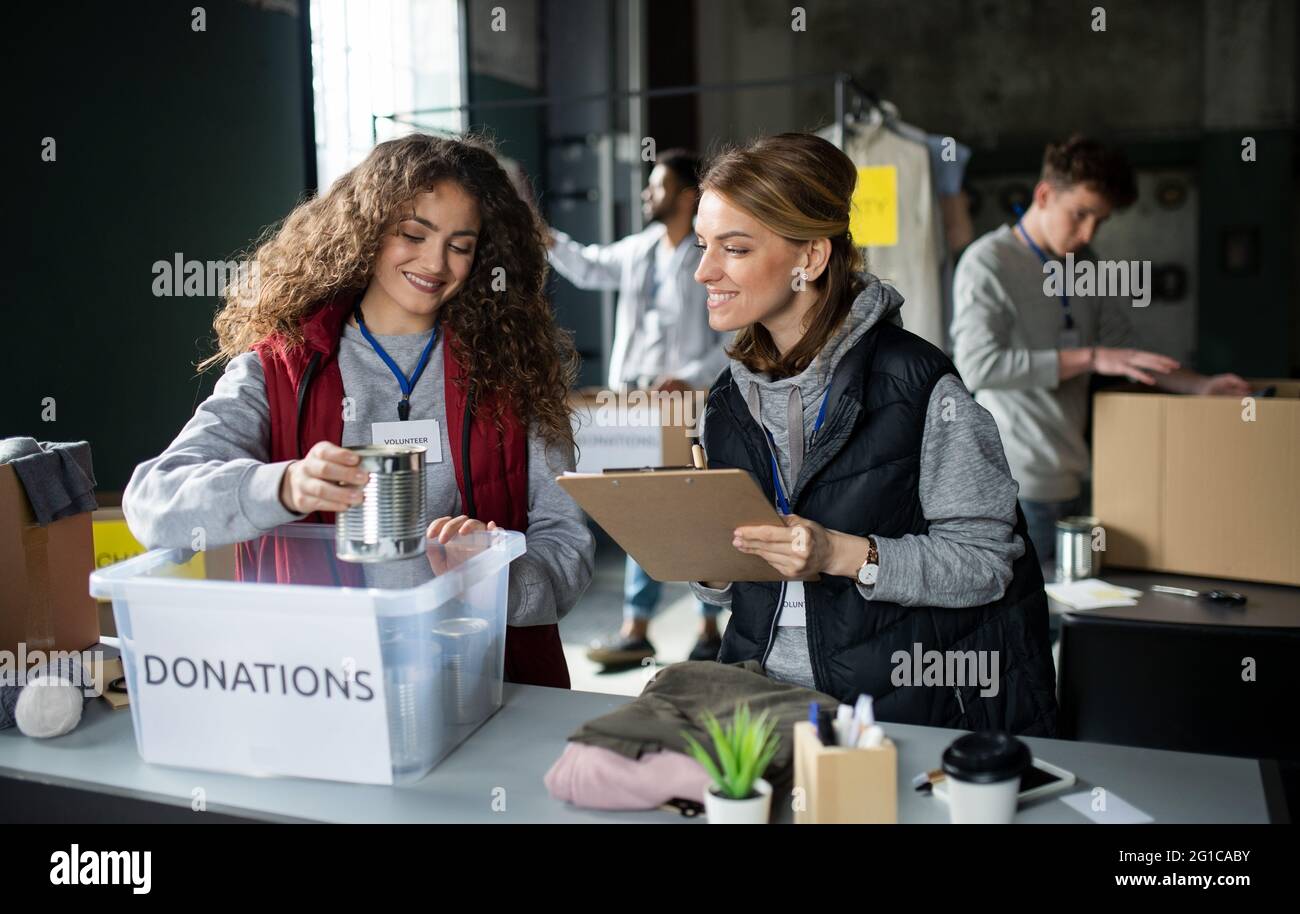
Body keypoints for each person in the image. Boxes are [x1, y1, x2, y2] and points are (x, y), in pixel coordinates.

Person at [122, 133, 595, 689]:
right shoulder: (279, 370)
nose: (435, 262)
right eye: (413, 234)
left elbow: (567, 545)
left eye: (460, 245)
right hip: (317, 685)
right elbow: (153, 504)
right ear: (367, 230)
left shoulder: (512, 372)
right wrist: (283, 487)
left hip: (484, 684)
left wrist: (496, 579)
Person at [688, 133, 1057, 735]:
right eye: (704, 245)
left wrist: (839, 552)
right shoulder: (728, 401)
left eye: (734, 248)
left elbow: (989, 563)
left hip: (893, 717)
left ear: (810, 257)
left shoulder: (920, 386)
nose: (704, 270)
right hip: (757, 712)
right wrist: (710, 564)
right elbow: (733, 595)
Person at [951, 135, 1250, 572]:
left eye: (1100, 221)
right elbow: (977, 366)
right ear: (1044, 195)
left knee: (1077, 612)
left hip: (1078, 477)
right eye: (1081, 214)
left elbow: (1126, 352)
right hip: (1014, 484)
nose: (1088, 233)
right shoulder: (987, 263)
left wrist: (1200, 386)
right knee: (1031, 621)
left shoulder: (1084, 263)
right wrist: (1090, 358)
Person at [547, 149, 728, 667]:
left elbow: (736, 339)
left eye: (658, 185)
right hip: (635, 400)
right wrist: (545, 238)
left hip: (687, 400)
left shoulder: (707, 255)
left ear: (688, 195)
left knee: (693, 504)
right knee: (640, 506)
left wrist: (690, 375)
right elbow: (587, 265)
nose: (648, 194)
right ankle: (638, 626)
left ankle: (708, 626)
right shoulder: (640, 249)